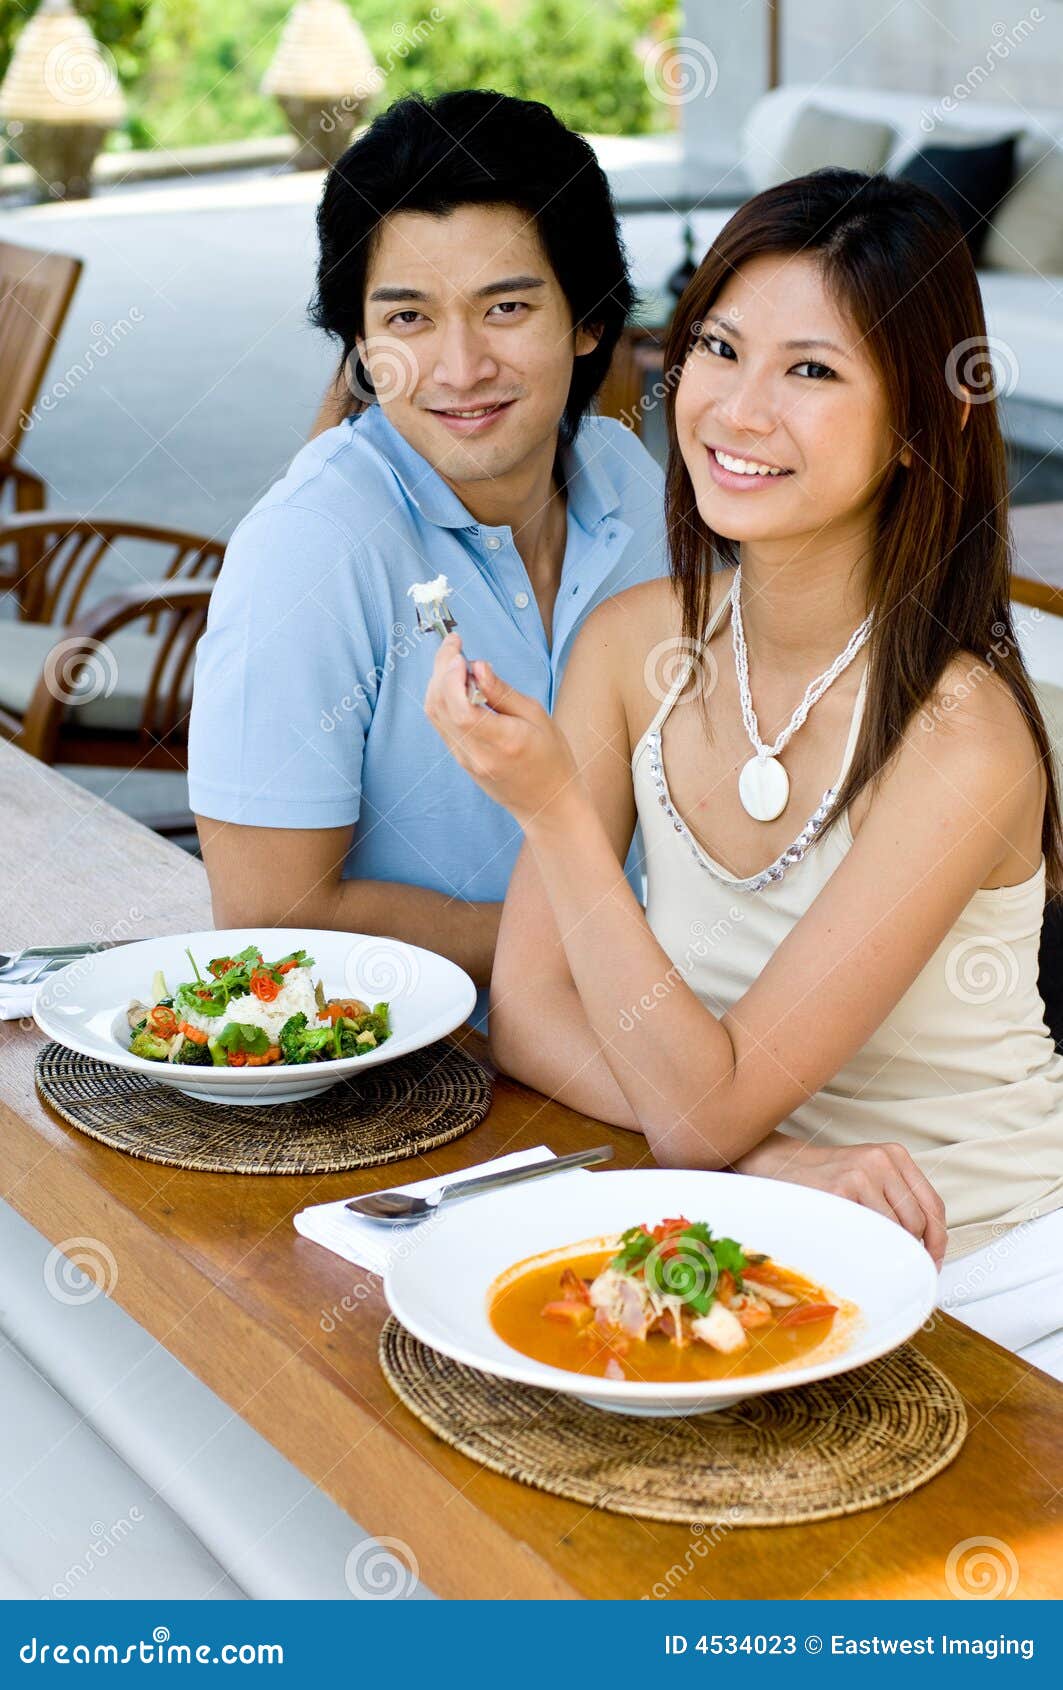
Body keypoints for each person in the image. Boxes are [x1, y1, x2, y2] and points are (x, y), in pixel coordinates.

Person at [425, 168, 1063, 1377]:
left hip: (991, 1282)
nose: (738, 408)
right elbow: (532, 1012)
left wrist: (555, 809)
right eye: (720, 347)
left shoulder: (958, 732)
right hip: (753, 1243)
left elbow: (699, 1111)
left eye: (812, 370)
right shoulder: (630, 649)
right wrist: (768, 1163)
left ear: (923, 425)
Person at [188, 91, 666, 1019]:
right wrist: (618, 949)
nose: (459, 368)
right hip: (436, 1085)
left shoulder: (630, 482)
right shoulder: (310, 550)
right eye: (407, 319)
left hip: (667, 1049)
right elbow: (266, 922)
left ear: (588, 321)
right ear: (361, 346)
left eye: (506, 307)